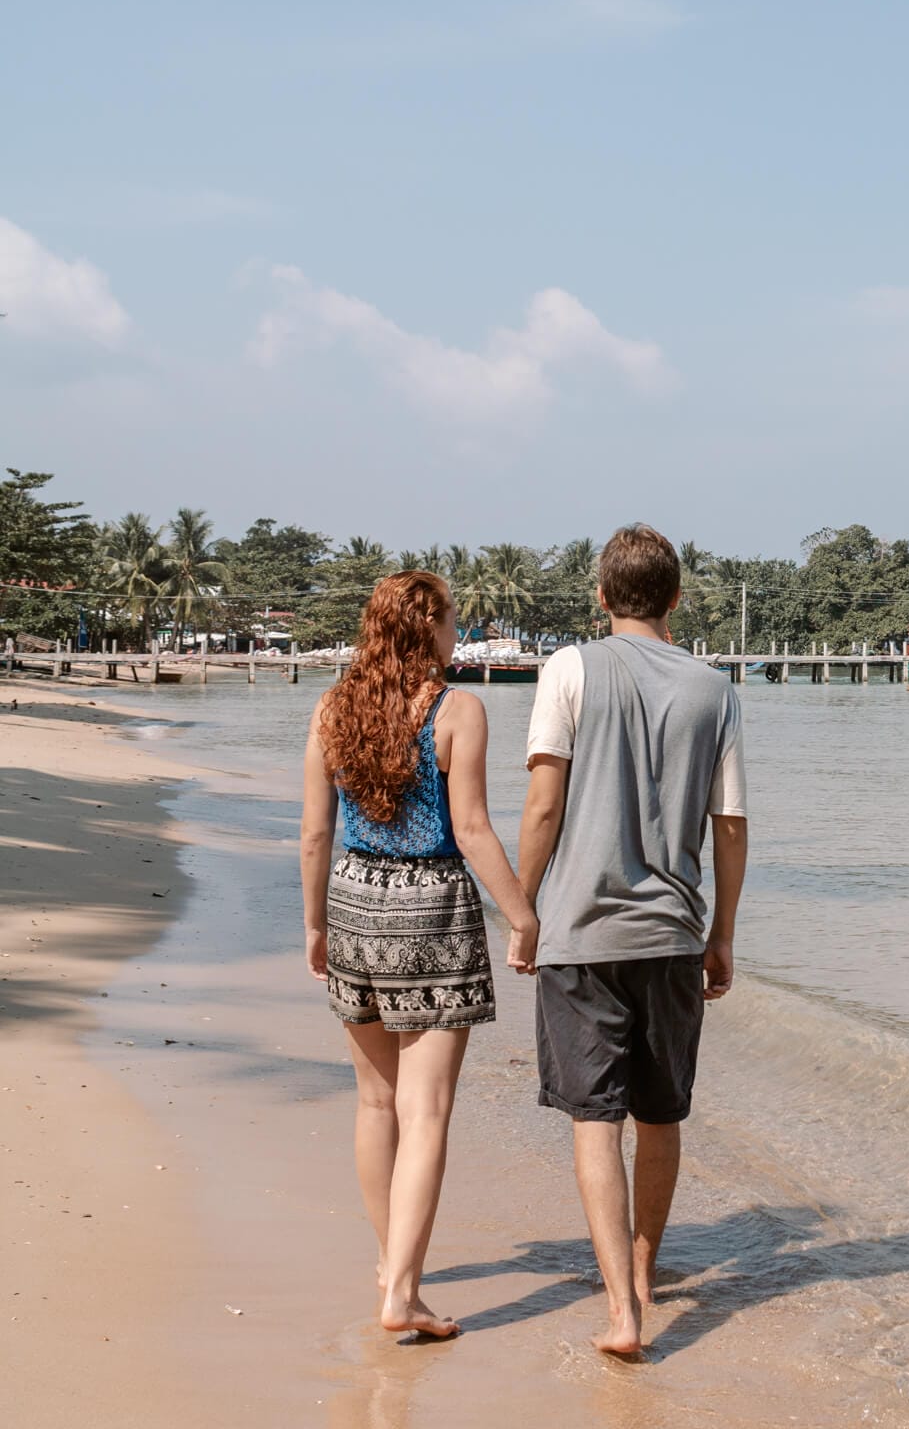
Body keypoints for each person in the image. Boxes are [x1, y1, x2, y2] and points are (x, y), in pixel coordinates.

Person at [517, 524, 748, 1359]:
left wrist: (522, 909)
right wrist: (721, 933)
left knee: (593, 1122)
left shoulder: (568, 669)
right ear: (677, 598)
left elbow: (544, 805)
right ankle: (647, 1270)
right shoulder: (715, 689)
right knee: (659, 1114)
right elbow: (730, 826)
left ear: (603, 596)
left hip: (581, 932)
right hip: (673, 933)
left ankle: (623, 1310)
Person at [301, 571, 539, 1339]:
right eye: (451, 623)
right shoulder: (456, 711)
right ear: (427, 627)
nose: (455, 636)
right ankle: (402, 1293)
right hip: (430, 909)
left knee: (376, 1103)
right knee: (425, 1110)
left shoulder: (333, 708)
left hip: (352, 902)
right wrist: (522, 915)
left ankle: (389, 1263)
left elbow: (313, 833)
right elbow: (469, 831)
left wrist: (315, 926)